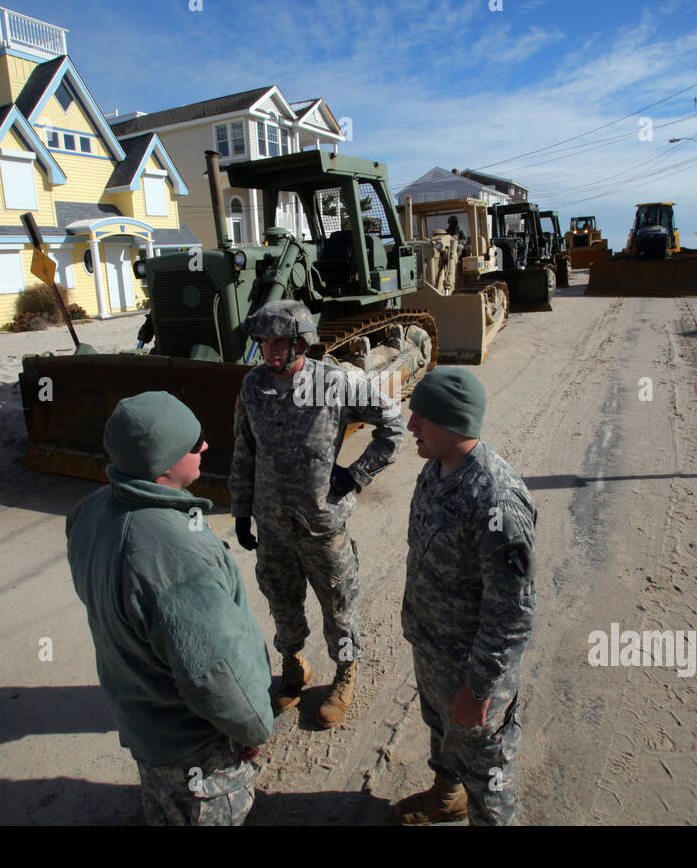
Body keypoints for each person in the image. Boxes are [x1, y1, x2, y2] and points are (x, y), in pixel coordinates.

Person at [66, 392, 273, 825]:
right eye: (194, 442)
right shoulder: (175, 556)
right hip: (196, 747)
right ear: (164, 460)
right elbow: (215, 672)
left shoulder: (89, 513)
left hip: (145, 726)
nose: (205, 447)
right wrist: (252, 727)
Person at [229, 300, 404, 728]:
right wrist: (241, 509)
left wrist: (357, 475)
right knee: (282, 602)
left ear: (300, 343)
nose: (270, 350)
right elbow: (243, 449)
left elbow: (393, 424)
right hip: (273, 527)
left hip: (322, 525)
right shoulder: (253, 386)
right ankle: (294, 666)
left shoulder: (335, 382)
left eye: (279, 342)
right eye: (264, 341)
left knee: (338, 606)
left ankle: (345, 674)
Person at [392, 367, 537, 825]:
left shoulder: (496, 501)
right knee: (441, 734)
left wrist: (477, 691)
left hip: (472, 669)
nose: (410, 424)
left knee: (486, 766)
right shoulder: (436, 469)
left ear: (452, 422)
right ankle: (446, 795)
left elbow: (511, 613)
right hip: (435, 652)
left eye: (421, 416)